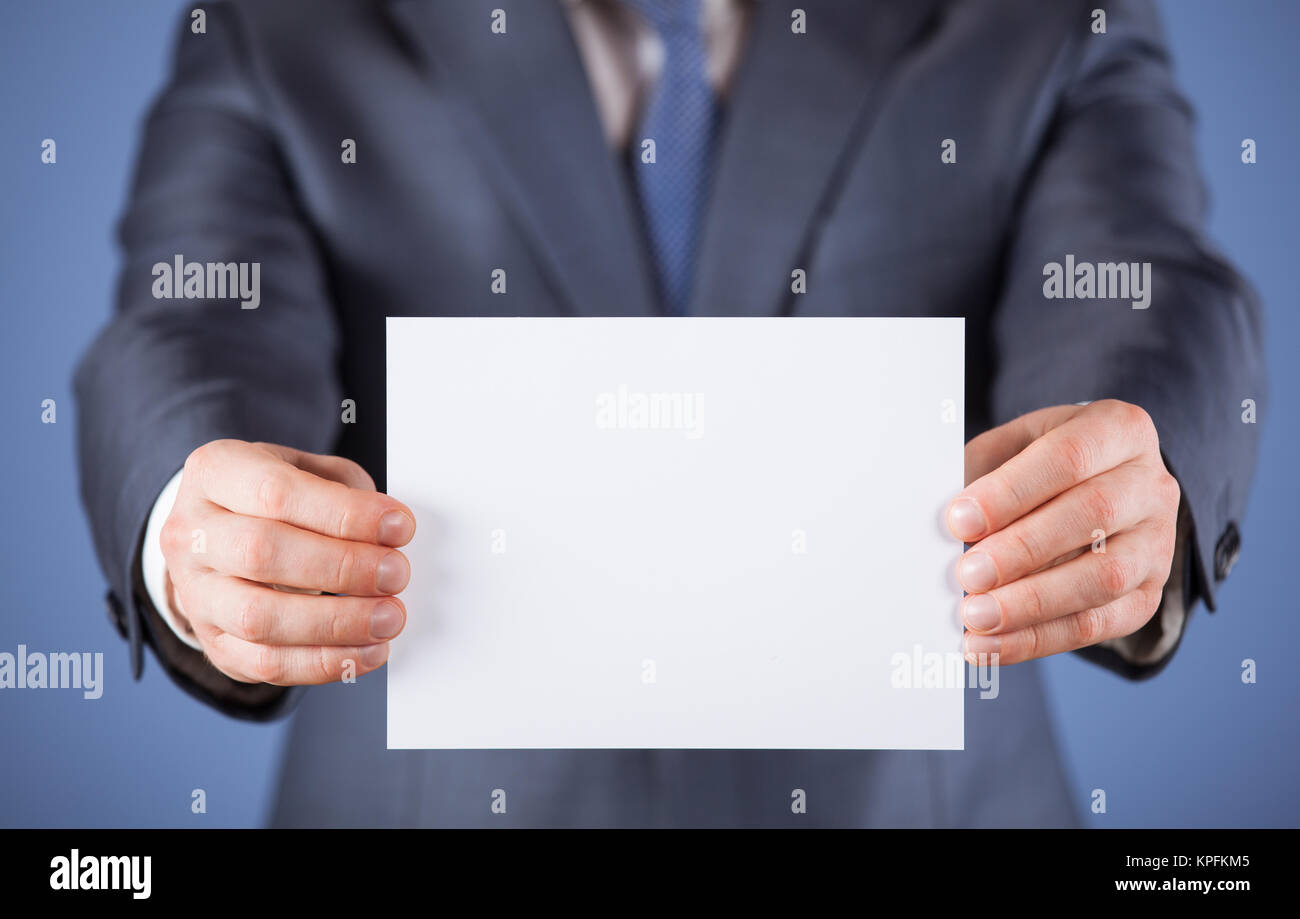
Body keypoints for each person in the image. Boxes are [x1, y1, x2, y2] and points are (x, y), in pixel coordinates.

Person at [75, 0, 1265, 826]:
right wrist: (192, 509)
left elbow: (1146, 280)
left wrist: (1133, 450)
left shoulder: (1046, 20)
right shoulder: (279, 27)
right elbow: (191, 319)